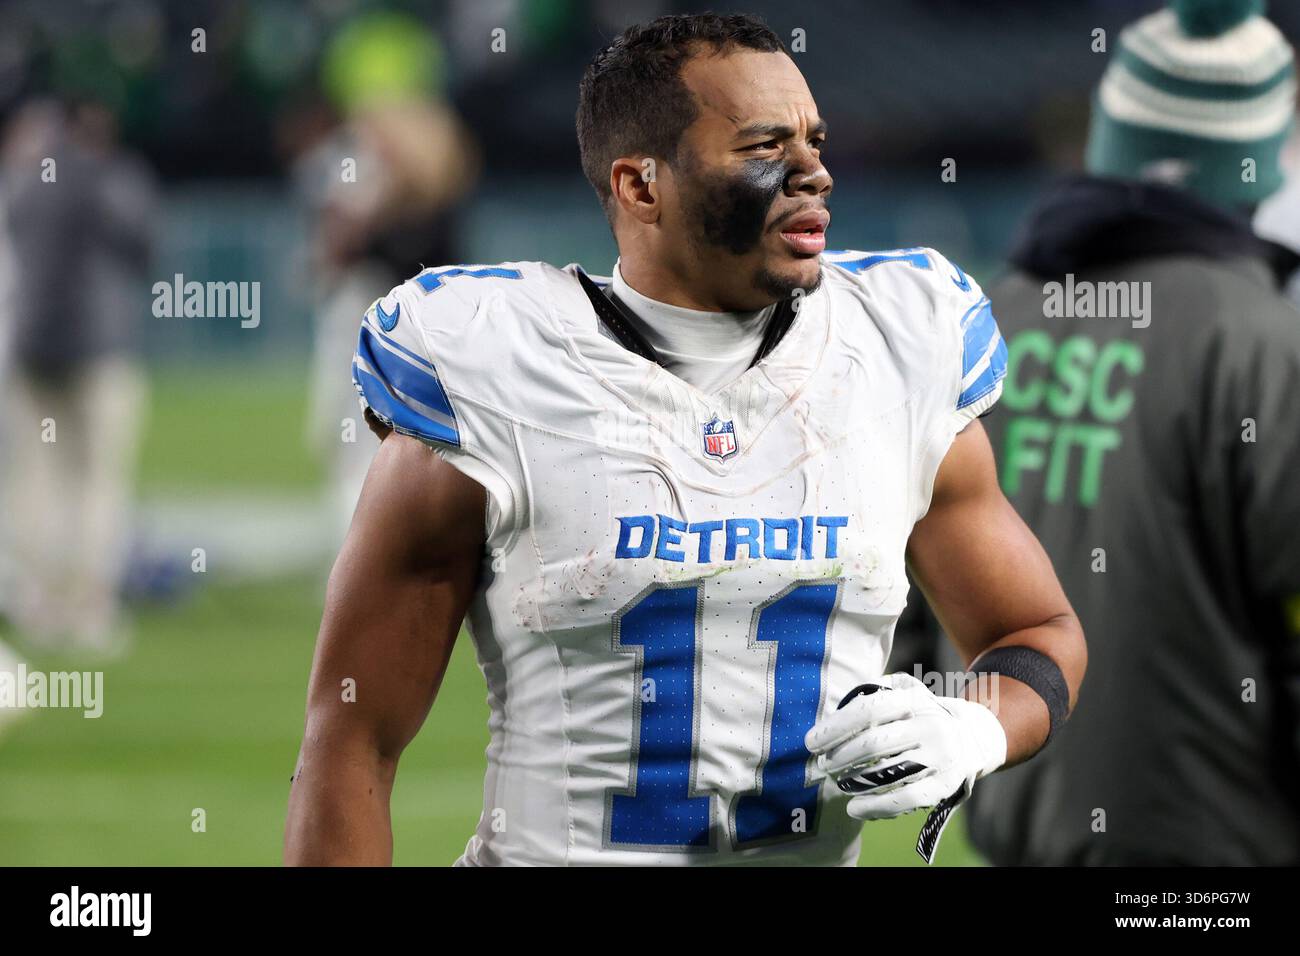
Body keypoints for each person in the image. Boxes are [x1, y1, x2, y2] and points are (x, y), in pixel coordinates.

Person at [285, 13, 1086, 866]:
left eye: (814, 140)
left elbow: (1038, 633)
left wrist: (973, 727)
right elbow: (353, 736)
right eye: (763, 146)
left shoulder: (894, 349)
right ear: (640, 187)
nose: (813, 172)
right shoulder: (495, 367)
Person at [963, 0, 1300, 865]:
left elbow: (919, 614)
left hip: (1015, 831)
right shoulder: (1263, 339)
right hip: (1216, 866)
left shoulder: (984, 322)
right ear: (1257, 160)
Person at [0, 97, 155, 656]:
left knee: (37, 478)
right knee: (99, 480)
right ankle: (89, 607)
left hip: (33, 347)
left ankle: (40, 602)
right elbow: (143, 248)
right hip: (100, 348)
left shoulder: (26, 179)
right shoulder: (115, 179)